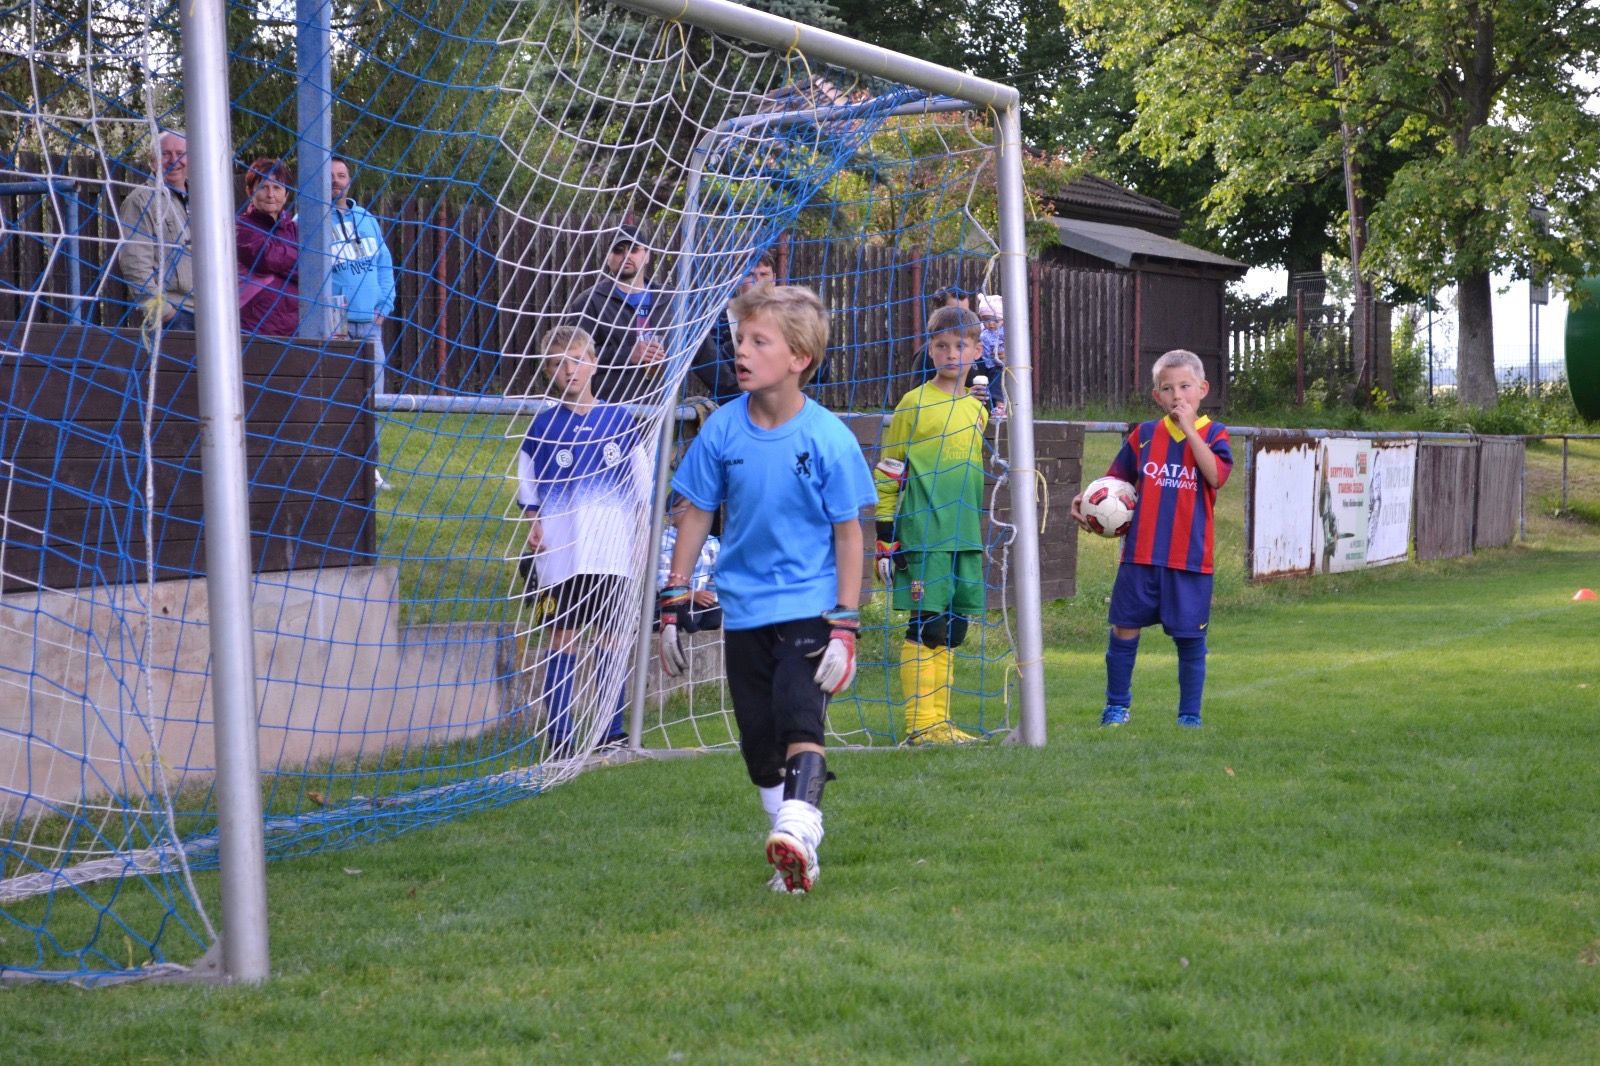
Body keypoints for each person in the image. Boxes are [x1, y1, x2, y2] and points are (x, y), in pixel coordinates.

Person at [659, 284, 875, 895]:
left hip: (812, 605)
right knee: (759, 743)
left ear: (799, 358)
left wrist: (846, 622)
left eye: (759, 342)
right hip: (745, 608)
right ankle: (794, 854)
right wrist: (674, 596)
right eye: (740, 340)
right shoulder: (721, 430)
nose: (742, 352)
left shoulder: (829, 438)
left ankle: (800, 830)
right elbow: (696, 511)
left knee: (798, 714)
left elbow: (850, 535)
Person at [1070, 348, 1233, 729]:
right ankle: (1116, 707)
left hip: (1189, 559)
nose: (1178, 396)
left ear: (1203, 389)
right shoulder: (1143, 435)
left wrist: (1190, 429)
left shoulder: (1214, 434)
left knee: (1190, 640)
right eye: (1168, 388)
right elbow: (1114, 486)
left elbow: (1216, 476)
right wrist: (1086, 501)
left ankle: (1189, 715)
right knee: (1124, 630)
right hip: (1140, 556)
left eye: (1185, 387)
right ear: (1157, 396)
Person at [516, 325, 650, 752]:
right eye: (557, 364)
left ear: (593, 362)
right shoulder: (540, 428)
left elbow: (642, 491)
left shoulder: (621, 421)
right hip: (562, 557)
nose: (568, 370)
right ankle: (561, 737)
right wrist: (534, 522)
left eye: (576, 360)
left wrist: (641, 538)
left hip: (611, 554)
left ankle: (610, 732)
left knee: (611, 639)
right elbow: (528, 490)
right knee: (563, 640)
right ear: (548, 372)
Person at [874, 306, 992, 745]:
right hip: (924, 534)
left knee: (954, 629)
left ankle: (942, 722)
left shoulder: (977, 410)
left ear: (977, 351)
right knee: (927, 625)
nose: (951, 354)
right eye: (941, 345)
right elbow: (890, 467)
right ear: (930, 349)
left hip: (964, 536)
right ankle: (920, 725)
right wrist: (885, 533)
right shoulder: (914, 403)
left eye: (960, 346)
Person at [327, 157, 397, 390]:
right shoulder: (307, 221)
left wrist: (384, 306)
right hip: (334, 325)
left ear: (349, 181)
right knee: (339, 394)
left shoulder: (366, 219)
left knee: (374, 395)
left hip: (370, 323)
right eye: (329, 176)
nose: (335, 181)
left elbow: (384, 264)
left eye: (341, 176)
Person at [117, 130, 195, 331]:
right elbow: (135, 265)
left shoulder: (203, 200)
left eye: (180, 153)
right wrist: (166, 315)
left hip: (211, 315)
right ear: (152, 161)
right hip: (175, 317)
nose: (174, 160)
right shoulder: (140, 201)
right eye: (165, 154)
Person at [235, 157, 300, 336]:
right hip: (254, 329)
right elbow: (266, 258)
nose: (271, 194)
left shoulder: (294, 229)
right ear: (250, 191)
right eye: (263, 187)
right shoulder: (240, 228)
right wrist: (297, 256)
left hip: (295, 331)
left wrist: (284, 257)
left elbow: (312, 267)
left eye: (277, 188)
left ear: (286, 195)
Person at [702, 252, 776, 402]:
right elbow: (713, 368)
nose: (757, 281)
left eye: (764, 274)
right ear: (737, 280)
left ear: (774, 278)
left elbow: (820, 372)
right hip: (731, 403)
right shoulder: (721, 317)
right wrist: (746, 335)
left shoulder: (790, 316)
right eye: (749, 275)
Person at [657, 492, 722, 632]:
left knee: (715, 616)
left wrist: (711, 598)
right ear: (670, 514)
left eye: (695, 509)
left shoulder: (711, 542)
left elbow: (714, 578)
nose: (690, 514)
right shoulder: (665, 541)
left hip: (700, 601)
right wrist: (691, 595)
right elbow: (662, 582)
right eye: (684, 508)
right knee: (690, 615)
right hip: (672, 599)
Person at [975, 293, 1007, 417]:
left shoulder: (1004, 332)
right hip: (983, 362)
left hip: (998, 364)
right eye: (986, 320)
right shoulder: (982, 330)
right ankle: (984, 408)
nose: (991, 324)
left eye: (995, 320)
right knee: (982, 384)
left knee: (997, 382)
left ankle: (1000, 406)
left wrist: (1006, 352)